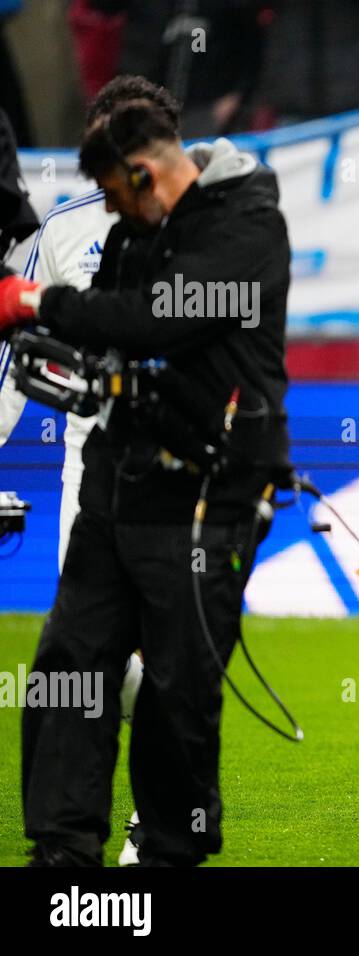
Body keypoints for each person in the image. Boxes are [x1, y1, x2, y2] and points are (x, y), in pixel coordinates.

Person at [0, 97, 291, 866]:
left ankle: (168, 853)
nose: (112, 215)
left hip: (207, 498)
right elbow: (120, 338)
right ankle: (62, 855)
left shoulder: (250, 225)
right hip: (115, 484)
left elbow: (163, 317)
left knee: (175, 690)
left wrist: (39, 300)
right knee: (69, 670)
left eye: (119, 194)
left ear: (145, 172)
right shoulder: (133, 232)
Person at [0, 75, 183, 867]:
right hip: (93, 477)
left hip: (187, 483)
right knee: (81, 665)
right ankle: (71, 844)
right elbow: (14, 354)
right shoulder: (65, 233)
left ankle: (152, 817)